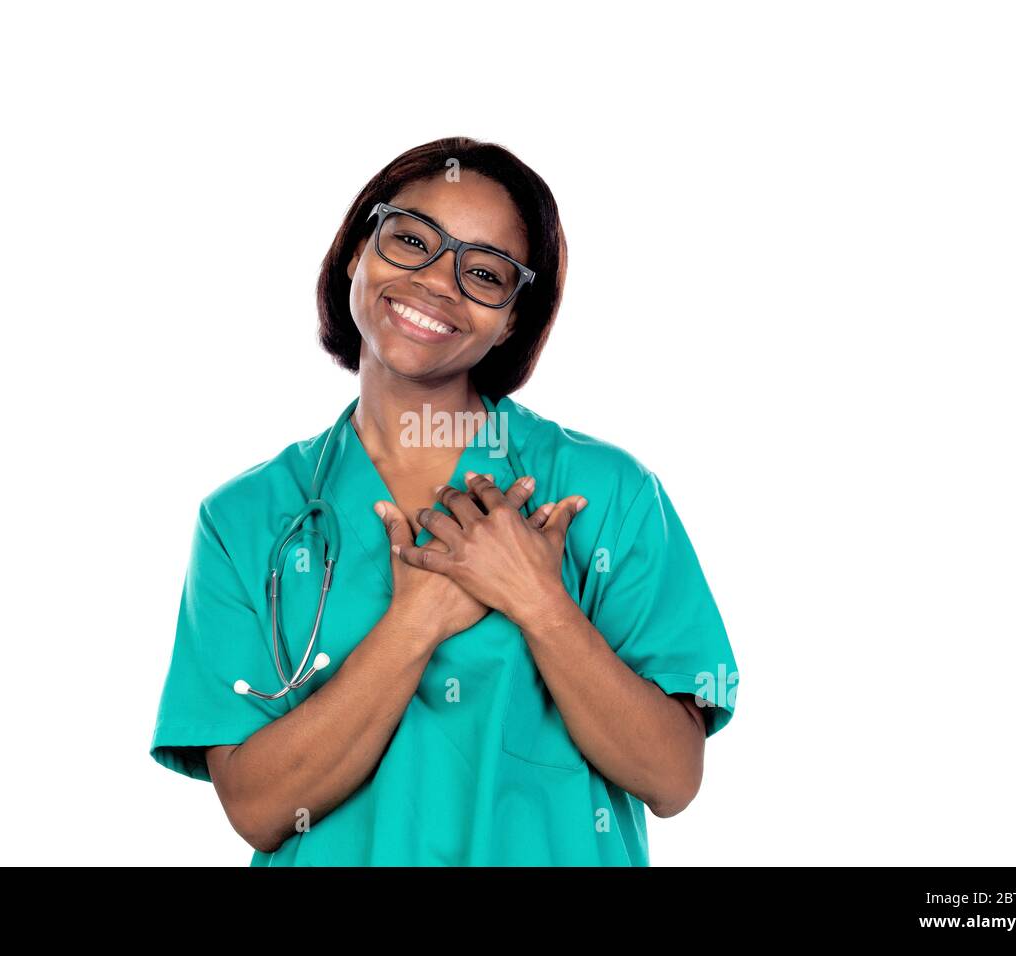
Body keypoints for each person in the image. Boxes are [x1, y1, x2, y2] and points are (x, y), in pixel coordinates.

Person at [149, 136, 739, 865]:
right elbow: (260, 808)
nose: (436, 281)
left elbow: (672, 777)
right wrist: (416, 622)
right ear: (356, 252)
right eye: (410, 240)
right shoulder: (245, 518)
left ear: (516, 317)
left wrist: (539, 602)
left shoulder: (607, 493)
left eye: (484, 272)